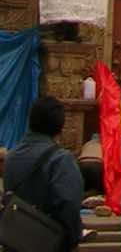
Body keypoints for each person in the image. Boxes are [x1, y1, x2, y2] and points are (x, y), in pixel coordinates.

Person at [4, 94, 85, 250]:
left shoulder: (11, 157)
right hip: (47, 241)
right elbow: (69, 204)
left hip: (14, 239)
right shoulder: (61, 159)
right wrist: (74, 238)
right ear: (60, 127)